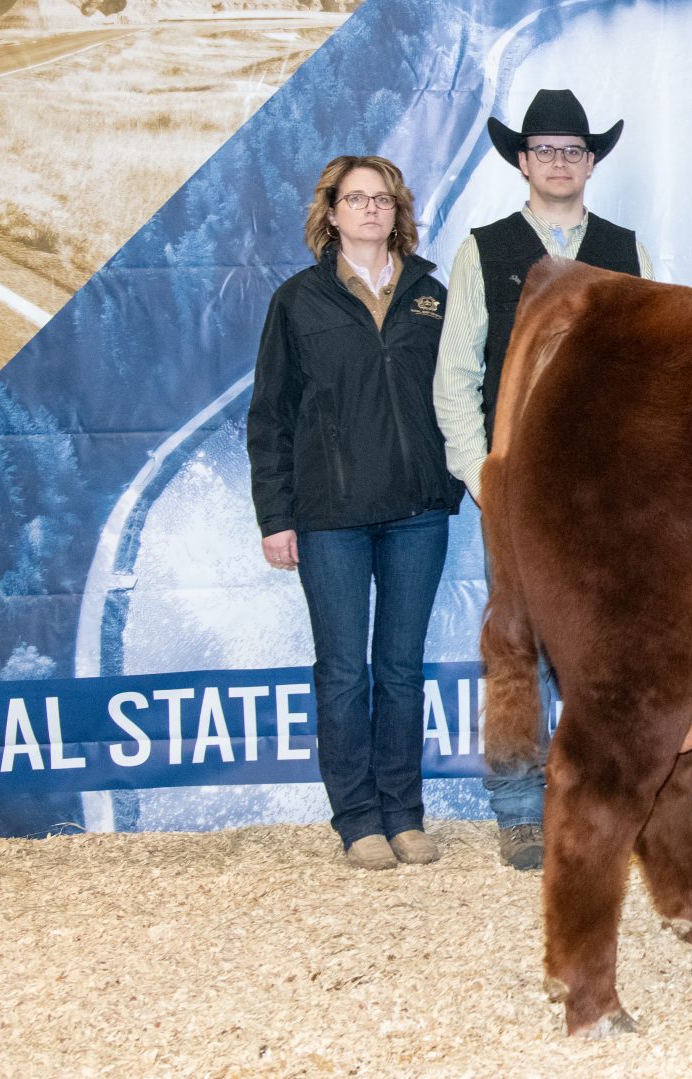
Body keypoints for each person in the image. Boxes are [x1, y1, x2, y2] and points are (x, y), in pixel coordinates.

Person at [433, 88, 651, 869]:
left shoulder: (627, 250)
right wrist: (484, 477)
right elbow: (455, 376)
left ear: (591, 162)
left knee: (604, 648)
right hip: (519, 486)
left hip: (604, 492)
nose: (560, 161)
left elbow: (654, 377)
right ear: (522, 162)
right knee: (516, 646)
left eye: (573, 150)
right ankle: (518, 808)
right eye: (545, 150)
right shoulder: (483, 249)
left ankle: (596, 799)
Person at [248, 155, 464, 871]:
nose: (370, 209)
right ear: (331, 212)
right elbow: (270, 416)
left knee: (400, 669)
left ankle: (404, 813)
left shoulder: (434, 293)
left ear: (398, 211)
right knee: (343, 672)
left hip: (416, 513)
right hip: (330, 516)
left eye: (383, 198)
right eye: (355, 198)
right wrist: (275, 517)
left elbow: (462, 391)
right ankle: (357, 818)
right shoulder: (297, 300)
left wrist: (452, 480)